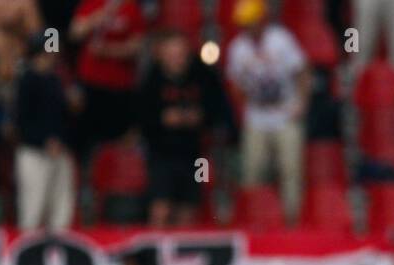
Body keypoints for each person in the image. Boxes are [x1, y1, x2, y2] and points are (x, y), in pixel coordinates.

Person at [225, 0, 310, 223]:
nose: (248, 28)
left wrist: (301, 102)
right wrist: (245, 105)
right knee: (252, 173)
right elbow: (235, 83)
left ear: (262, 20)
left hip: (285, 113)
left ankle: (292, 221)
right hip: (257, 116)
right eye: (245, 24)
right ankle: (253, 219)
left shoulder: (281, 39)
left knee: (290, 172)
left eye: (251, 22)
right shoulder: (237, 47)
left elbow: (301, 70)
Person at [138, 29, 220, 227]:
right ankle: (155, 254)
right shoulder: (152, 80)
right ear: (162, 55)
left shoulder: (201, 76)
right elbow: (141, 117)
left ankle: (182, 256)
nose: (178, 59)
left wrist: (198, 117)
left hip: (195, 157)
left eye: (181, 54)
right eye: (172, 55)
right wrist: (163, 119)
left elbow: (217, 110)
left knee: (188, 212)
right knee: (161, 209)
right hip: (162, 155)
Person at [68, 0, 145, 155]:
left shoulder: (131, 7)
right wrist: (96, 18)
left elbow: (137, 47)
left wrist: (107, 51)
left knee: (116, 142)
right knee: (84, 140)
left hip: (120, 85)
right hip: (89, 81)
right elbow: (74, 33)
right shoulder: (91, 3)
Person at [15, 34, 74, 229]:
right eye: (49, 53)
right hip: (34, 154)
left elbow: (63, 119)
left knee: (61, 210)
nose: (53, 57)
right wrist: (43, 141)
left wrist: (61, 141)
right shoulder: (27, 81)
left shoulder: (56, 81)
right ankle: (27, 257)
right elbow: (21, 122)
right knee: (32, 210)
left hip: (59, 152)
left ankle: (60, 255)